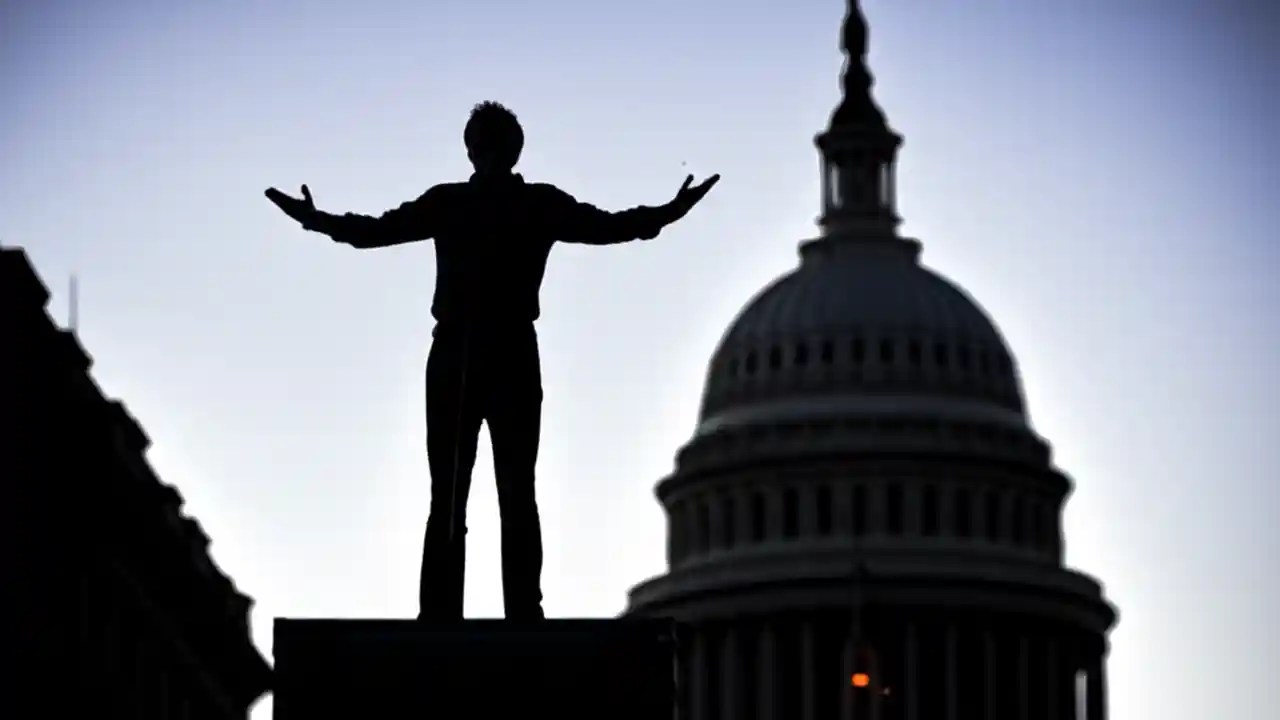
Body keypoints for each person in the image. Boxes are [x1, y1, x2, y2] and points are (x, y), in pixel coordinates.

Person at [265, 101, 719, 621]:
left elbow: (373, 231)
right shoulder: (513, 204)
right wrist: (667, 213)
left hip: (482, 351)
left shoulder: (469, 204)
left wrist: (316, 220)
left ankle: (463, 613)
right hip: (486, 352)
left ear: (479, 150)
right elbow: (613, 226)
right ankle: (502, 612)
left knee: (472, 493)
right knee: (491, 492)